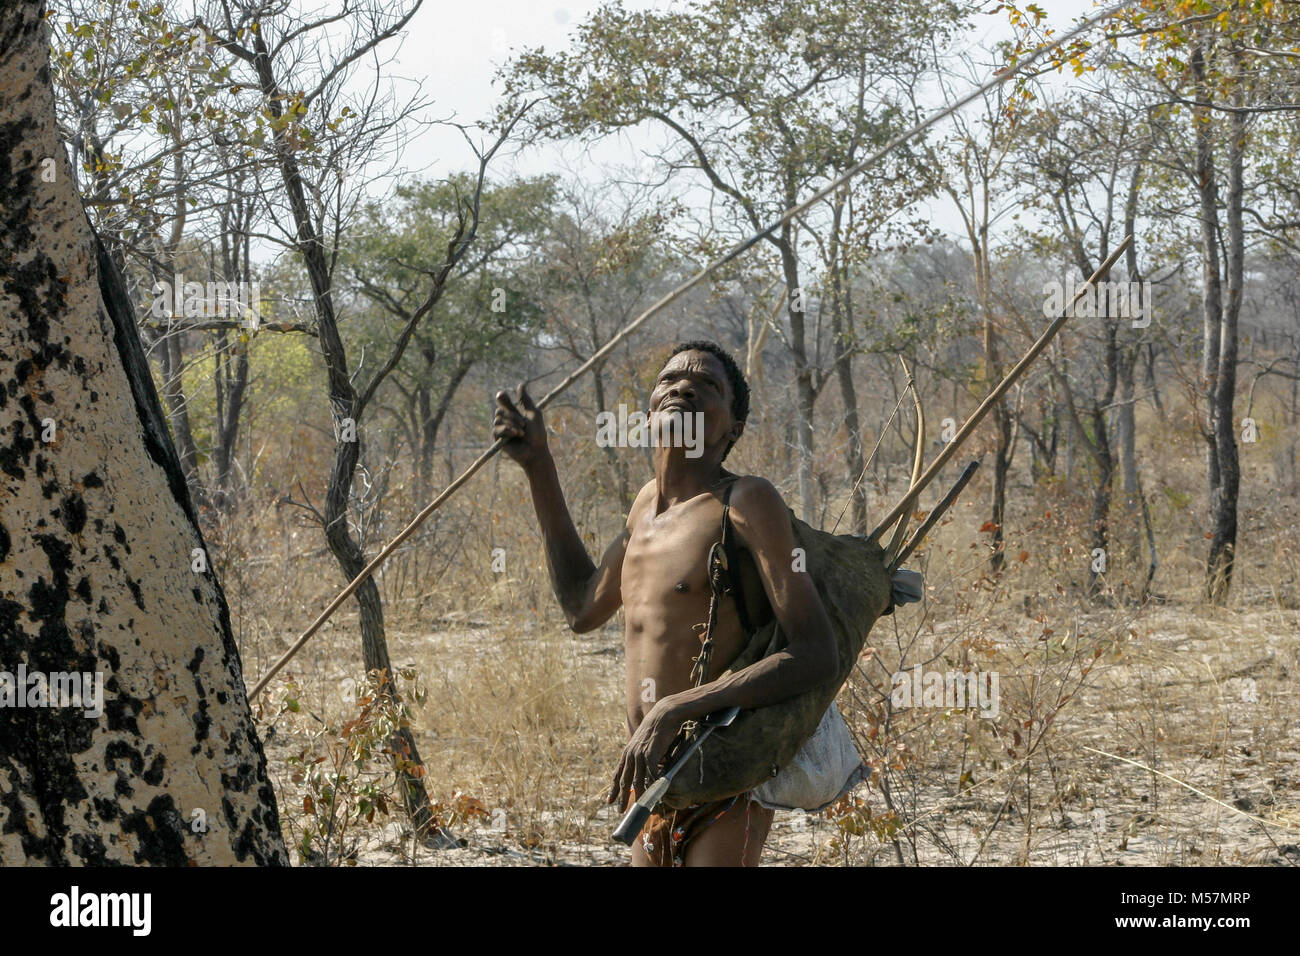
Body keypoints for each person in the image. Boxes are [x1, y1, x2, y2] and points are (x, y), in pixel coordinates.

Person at [492, 341, 839, 866]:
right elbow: (581, 610)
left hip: (724, 772)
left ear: (733, 429)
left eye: (707, 385)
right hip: (649, 780)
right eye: (670, 380)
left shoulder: (745, 501)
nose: (683, 387)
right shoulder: (643, 510)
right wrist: (539, 466)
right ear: (650, 413)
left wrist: (675, 707)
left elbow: (816, 652)